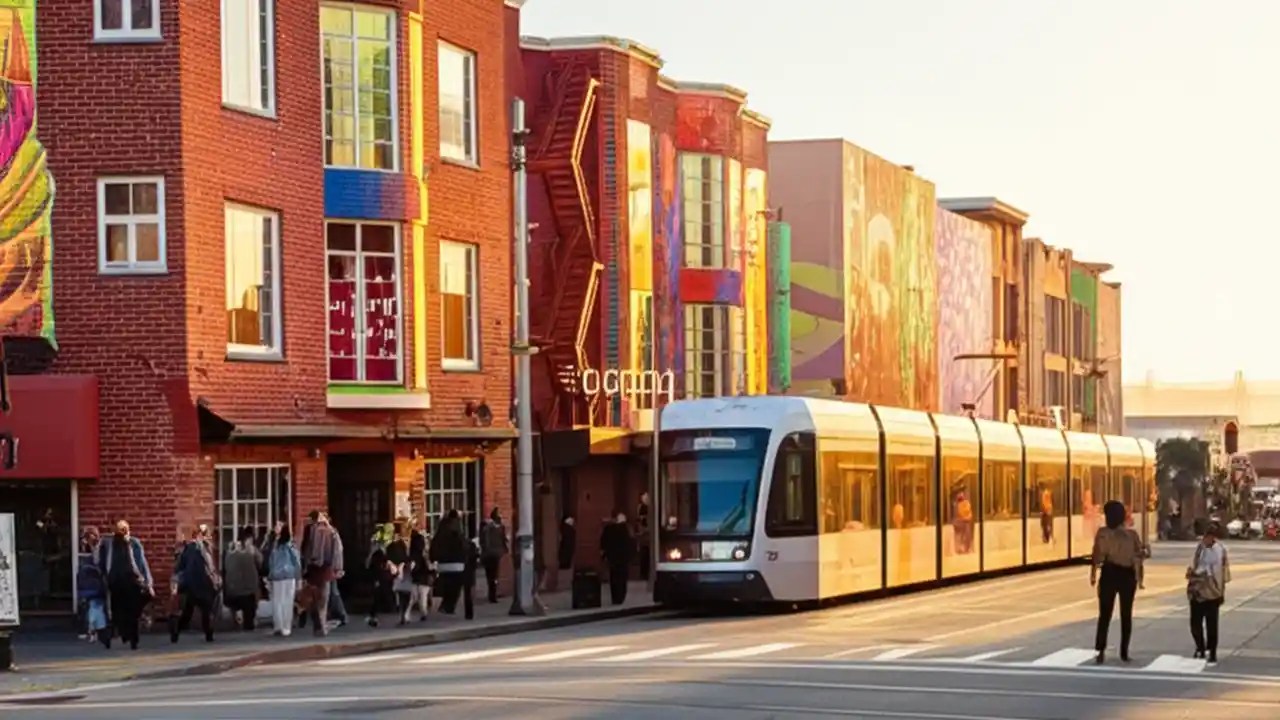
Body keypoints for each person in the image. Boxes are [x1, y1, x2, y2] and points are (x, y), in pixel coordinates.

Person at [1091, 500, 1144, 664]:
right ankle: (1124, 651)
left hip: (1109, 573)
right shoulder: (1132, 535)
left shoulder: (1102, 533)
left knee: (1104, 614)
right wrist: (1140, 577)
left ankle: (1100, 650)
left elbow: (1097, 556)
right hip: (1127, 576)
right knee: (1126, 614)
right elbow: (1140, 556)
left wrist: (1093, 573)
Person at [97, 519, 153, 650]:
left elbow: (141, 563)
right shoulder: (108, 543)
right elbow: (101, 562)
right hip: (117, 582)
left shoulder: (133, 543)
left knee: (130, 612)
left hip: (131, 582)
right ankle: (125, 636)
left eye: (124, 530)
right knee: (120, 612)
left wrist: (148, 582)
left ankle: (130, 638)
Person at [1187, 522, 1230, 665]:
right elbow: (1194, 565)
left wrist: (1221, 591)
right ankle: (1200, 646)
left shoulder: (1220, 550)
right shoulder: (1199, 548)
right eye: (1204, 536)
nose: (1205, 539)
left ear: (1213, 537)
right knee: (1195, 623)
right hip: (1198, 590)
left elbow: (1222, 573)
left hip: (1213, 591)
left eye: (1208, 536)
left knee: (1212, 624)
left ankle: (1212, 651)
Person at [171, 524, 219, 643]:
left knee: (189, 611)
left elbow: (180, 567)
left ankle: (177, 630)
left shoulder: (188, 548)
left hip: (191, 584)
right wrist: (215, 580)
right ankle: (208, 634)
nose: (208, 537)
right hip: (203, 583)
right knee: (206, 610)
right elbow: (210, 567)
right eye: (206, 535)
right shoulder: (203, 548)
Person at [303, 511, 344, 637]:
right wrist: (338, 568)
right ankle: (322, 625)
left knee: (313, 599)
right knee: (323, 599)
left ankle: (317, 625)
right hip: (326, 569)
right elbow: (337, 551)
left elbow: (305, 550)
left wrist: (305, 566)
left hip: (313, 569)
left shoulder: (310, 530)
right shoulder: (332, 532)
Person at [223, 528, 263, 631]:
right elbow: (261, 562)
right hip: (248, 592)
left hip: (231, 591)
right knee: (251, 601)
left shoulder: (229, 552)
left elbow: (225, 568)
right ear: (249, 539)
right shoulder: (252, 551)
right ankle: (249, 622)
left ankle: (236, 619)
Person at [267, 523, 302, 637]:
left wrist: (271, 575)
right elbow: (296, 561)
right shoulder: (291, 545)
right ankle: (286, 627)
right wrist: (298, 576)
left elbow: (271, 561)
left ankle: (278, 625)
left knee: (277, 601)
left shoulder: (275, 545)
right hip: (289, 575)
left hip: (277, 576)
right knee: (288, 601)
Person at [429, 510, 468, 614]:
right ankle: (449, 606)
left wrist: (433, 559)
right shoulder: (458, 529)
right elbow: (463, 546)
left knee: (445, 585)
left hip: (442, 563)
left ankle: (444, 605)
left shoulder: (441, 530)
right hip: (457, 563)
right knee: (455, 587)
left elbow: (434, 546)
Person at [75, 527, 108, 646]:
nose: (85, 542)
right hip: (92, 582)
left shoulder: (100, 548)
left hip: (96, 582)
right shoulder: (94, 548)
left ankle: (95, 630)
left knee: (95, 605)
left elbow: (100, 564)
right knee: (94, 605)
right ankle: (94, 630)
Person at [600, 510, 632, 605]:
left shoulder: (608, 529)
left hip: (612, 557)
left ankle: (615, 597)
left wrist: (604, 554)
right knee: (622, 578)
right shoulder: (626, 529)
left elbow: (603, 542)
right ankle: (620, 597)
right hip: (623, 558)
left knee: (614, 577)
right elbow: (630, 543)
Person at [479, 508, 509, 604]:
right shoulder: (490, 528)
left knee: (492, 576)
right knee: (492, 575)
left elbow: (503, 540)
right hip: (491, 554)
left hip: (493, 554)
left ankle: (492, 594)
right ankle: (492, 595)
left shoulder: (496, 528)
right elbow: (486, 542)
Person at [406, 517, 433, 621]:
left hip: (416, 576)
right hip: (423, 575)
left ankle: (410, 613)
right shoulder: (424, 555)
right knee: (423, 595)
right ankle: (423, 612)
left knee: (414, 596)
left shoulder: (412, 555)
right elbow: (428, 564)